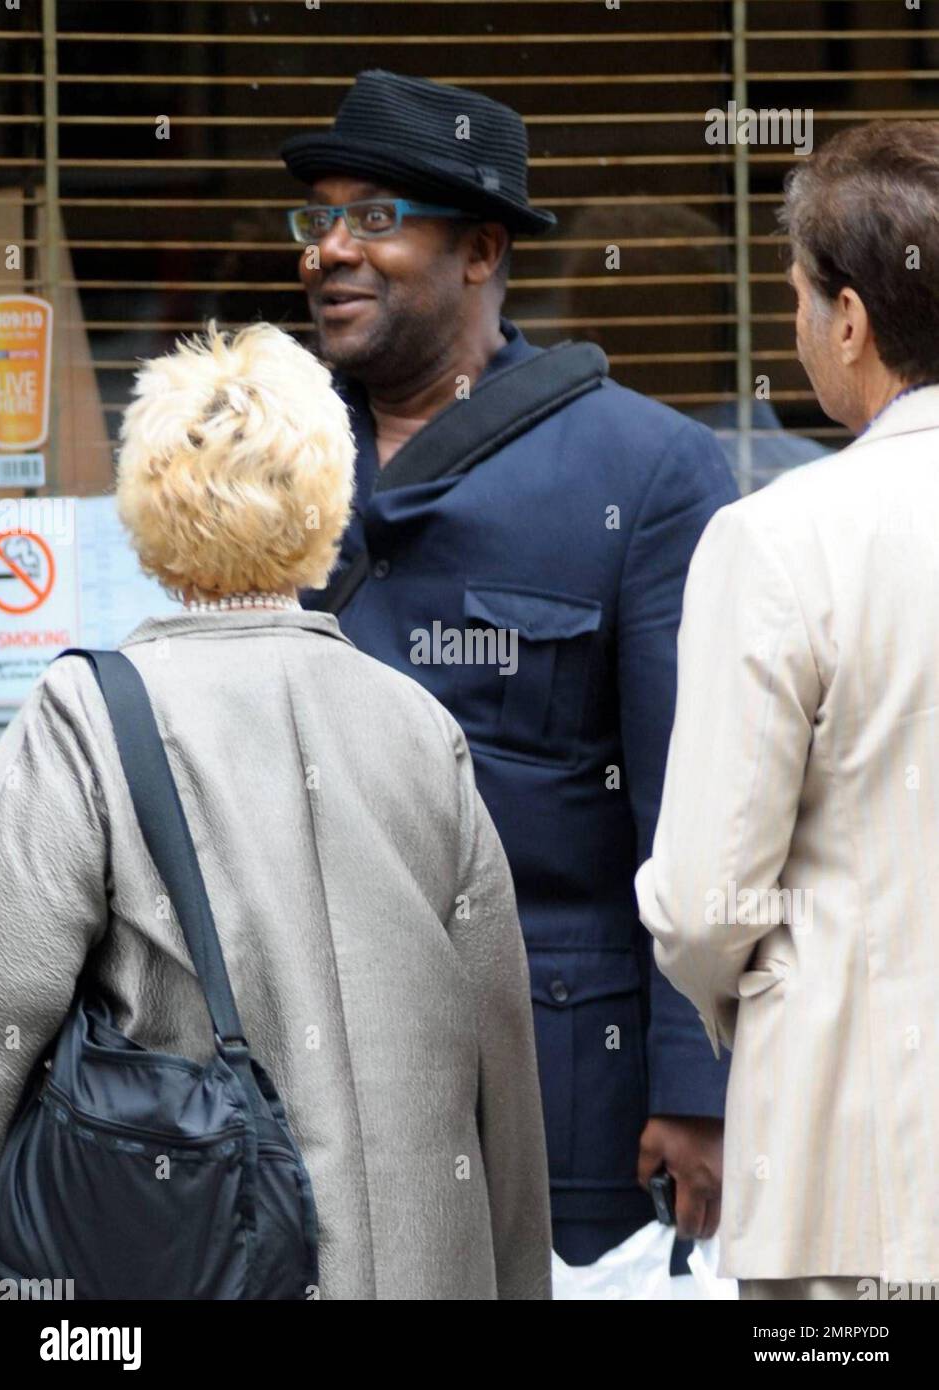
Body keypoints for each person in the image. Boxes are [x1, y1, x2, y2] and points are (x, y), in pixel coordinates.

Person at [0, 321, 552, 1301]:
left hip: (193, 1260)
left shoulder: (81, 721)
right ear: (330, 504)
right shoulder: (418, 726)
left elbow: (3, 1010)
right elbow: (498, 1050)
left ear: (142, 502)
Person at [281, 68, 739, 1265]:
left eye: (375, 219)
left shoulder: (644, 473)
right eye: (317, 218)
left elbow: (688, 806)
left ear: (481, 249)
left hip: (551, 1074)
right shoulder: (253, 455)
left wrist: (696, 1085)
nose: (330, 249)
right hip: (285, 1063)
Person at [636, 120, 939, 1299]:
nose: (797, 328)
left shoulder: (777, 540)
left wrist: (759, 986)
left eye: (801, 300)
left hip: (851, 1192)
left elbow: (707, 899)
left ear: (851, 320)